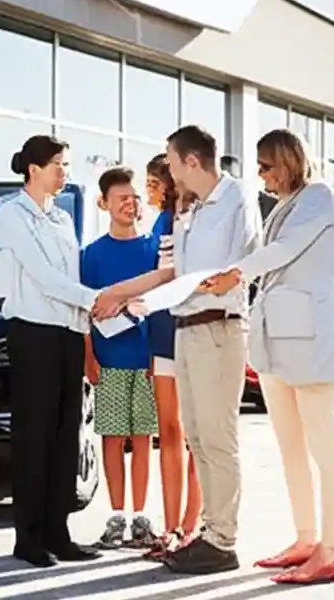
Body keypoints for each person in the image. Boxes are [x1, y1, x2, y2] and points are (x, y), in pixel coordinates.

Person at [199, 128, 334, 585]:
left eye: (266, 166)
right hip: (279, 341)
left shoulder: (320, 196)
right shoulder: (284, 205)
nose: (262, 175)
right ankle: (306, 538)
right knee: (291, 449)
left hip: (312, 341)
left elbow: (283, 252)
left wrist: (234, 275)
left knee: (324, 449)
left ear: (288, 160)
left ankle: (331, 550)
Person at [0, 134, 137, 568]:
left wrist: (88, 316)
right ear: (34, 169)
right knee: (34, 437)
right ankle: (28, 536)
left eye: (67, 165)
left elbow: (69, 274)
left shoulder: (61, 218)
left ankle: (58, 531)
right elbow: (44, 278)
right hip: (33, 333)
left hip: (68, 333)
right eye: (60, 165)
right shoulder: (12, 216)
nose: (66, 172)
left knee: (65, 438)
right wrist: (99, 299)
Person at [158, 124, 261, 575]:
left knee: (218, 439)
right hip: (186, 327)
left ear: (192, 161)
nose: (170, 172)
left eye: (172, 162)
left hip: (219, 328)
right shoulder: (192, 209)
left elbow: (251, 256)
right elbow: (178, 273)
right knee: (196, 436)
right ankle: (209, 530)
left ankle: (223, 540)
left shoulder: (237, 199)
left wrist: (234, 275)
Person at [81, 167, 159, 551]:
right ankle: (115, 518)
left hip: (146, 363)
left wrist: (157, 358)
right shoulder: (91, 255)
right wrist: (88, 357)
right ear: (104, 203)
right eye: (122, 197)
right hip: (108, 362)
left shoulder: (152, 250)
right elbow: (82, 311)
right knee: (111, 440)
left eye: (135, 197)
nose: (131, 203)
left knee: (142, 439)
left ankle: (141, 519)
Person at [140, 154, 203, 560]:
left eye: (151, 180)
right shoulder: (161, 221)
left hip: (196, 331)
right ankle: (172, 528)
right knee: (171, 433)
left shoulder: (196, 216)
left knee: (198, 434)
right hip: (162, 335)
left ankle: (193, 525)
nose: (147, 188)